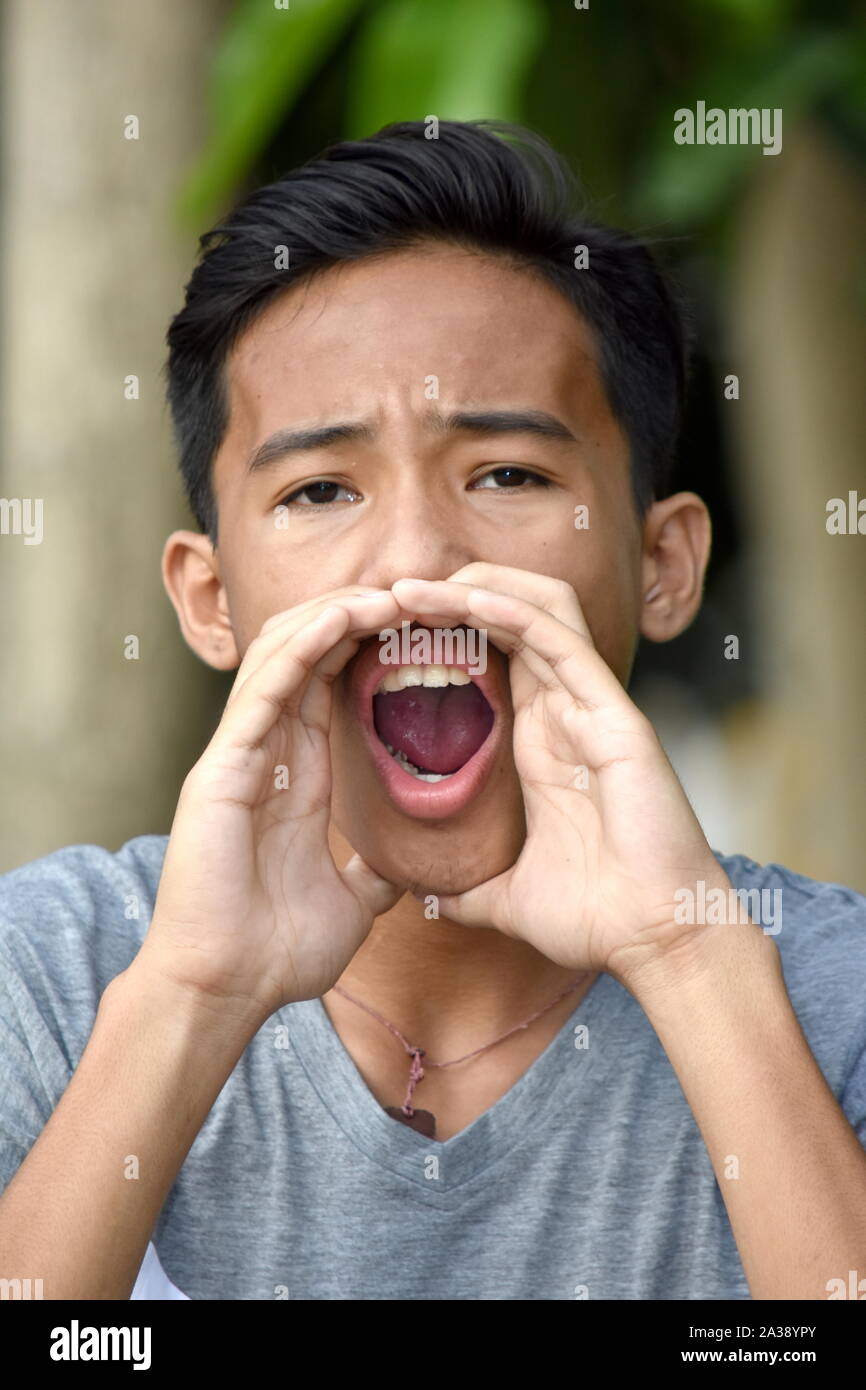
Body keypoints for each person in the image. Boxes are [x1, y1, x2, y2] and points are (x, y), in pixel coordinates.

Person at [1, 119, 865, 1303]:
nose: (413, 557)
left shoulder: (831, 994)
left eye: (508, 473)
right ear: (209, 600)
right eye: (318, 489)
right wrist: (193, 1000)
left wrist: (688, 957)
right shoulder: (49, 974)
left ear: (663, 564)